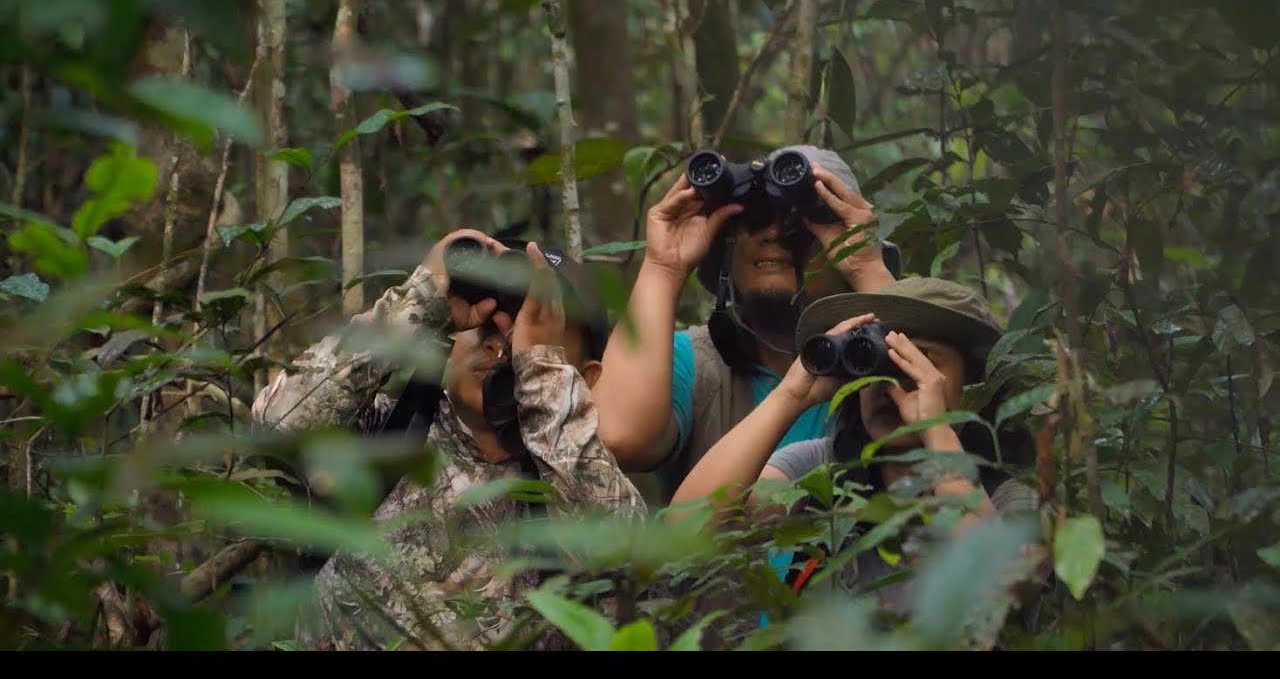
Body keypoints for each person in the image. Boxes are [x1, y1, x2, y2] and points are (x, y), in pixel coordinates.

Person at [250, 229, 646, 651]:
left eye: (533, 322)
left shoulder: (581, 479)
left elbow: (623, 566)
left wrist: (541, 370)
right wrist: (419, 301)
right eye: (489, 323)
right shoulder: (387, 431)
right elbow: (277, 428)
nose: (501, 338)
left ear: (584, 376)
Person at [668, 276, 1045, 647]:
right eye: (878, 359)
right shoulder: (820, 471)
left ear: (971, 390)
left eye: (919, 361)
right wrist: (791, 395)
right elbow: (683, 531)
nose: (890, 382)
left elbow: (1002, 587)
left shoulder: (1009, 501)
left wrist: (937, 431)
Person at [592, 144, 900, 502]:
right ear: (727, 252)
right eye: (752, 218)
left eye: (797, 222)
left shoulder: (879, 353)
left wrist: (867, 267)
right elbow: (617, 438)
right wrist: (664, 266)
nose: (772, 234)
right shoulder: (693, 363)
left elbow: (930, 408)